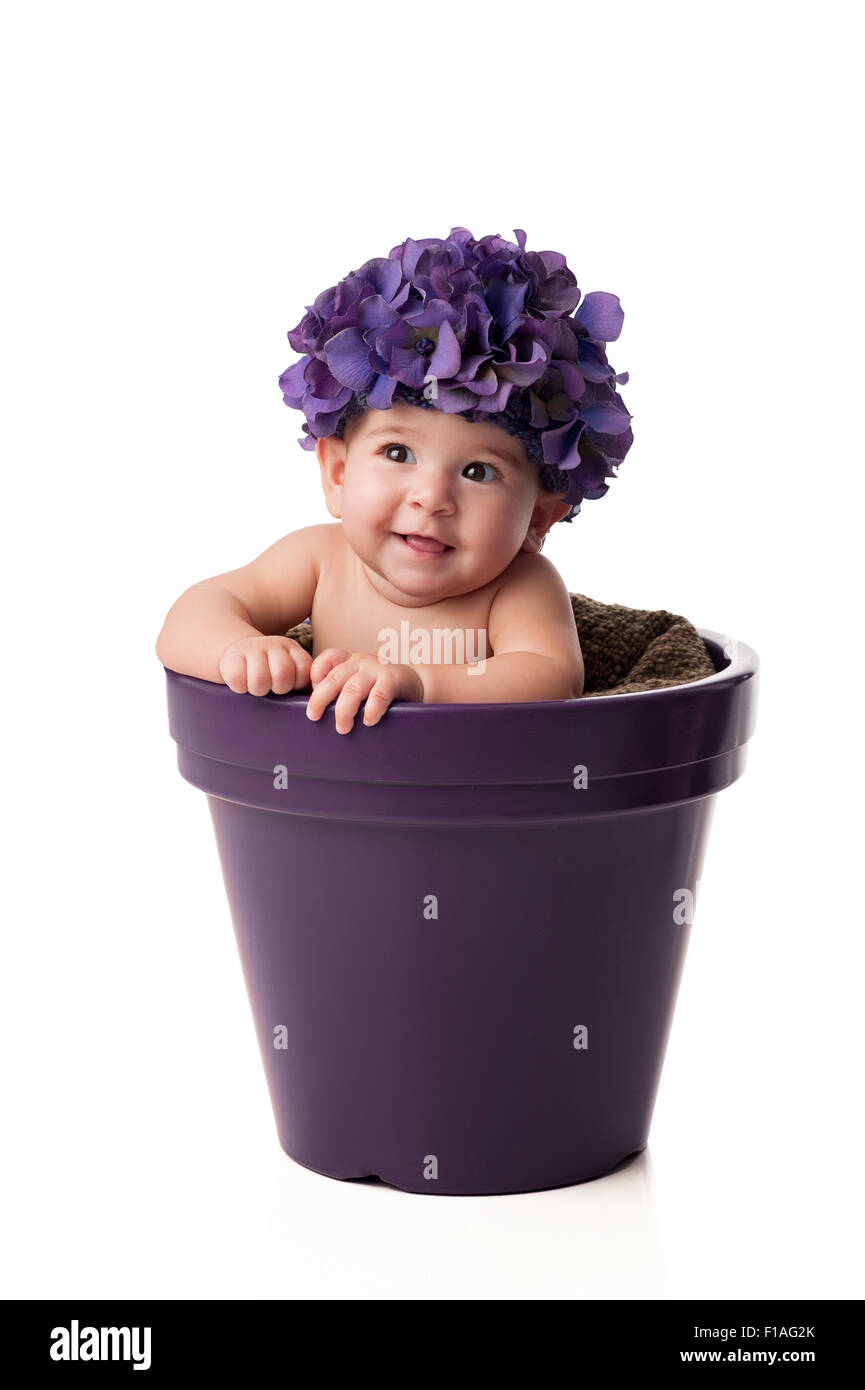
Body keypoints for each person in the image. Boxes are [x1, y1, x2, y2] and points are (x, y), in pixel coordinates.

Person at [155, 226, 633, 733]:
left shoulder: (518, 586)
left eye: (478, 471)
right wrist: (240, 649)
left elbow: (549, 675)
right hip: (328, 788)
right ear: (338, 474)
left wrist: (421, 683)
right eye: (398, 452)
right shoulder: (320, 560)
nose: (431, 498)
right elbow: (191, 616)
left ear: (538, 518)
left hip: (475, 794)